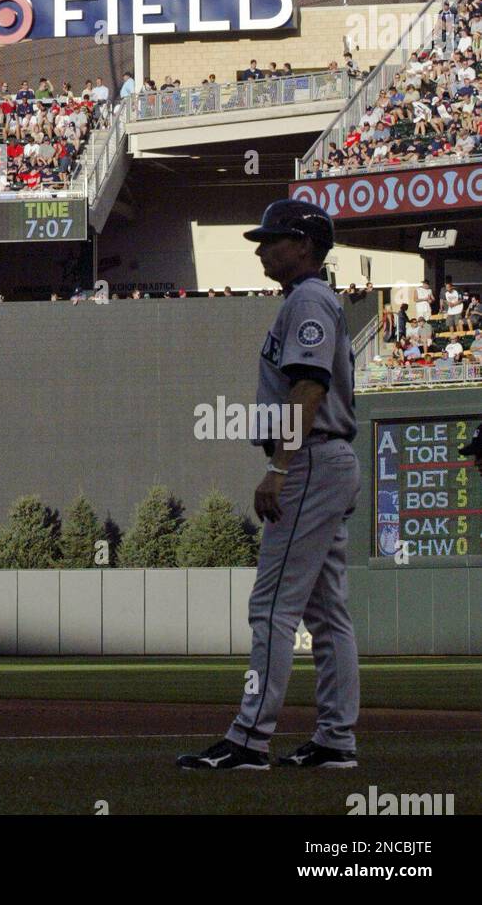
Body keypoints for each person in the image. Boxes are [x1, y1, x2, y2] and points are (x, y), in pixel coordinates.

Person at [178, 199, 360, 771]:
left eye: (272, 239)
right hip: (326, 460)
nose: (261, 248)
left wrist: (280, 467)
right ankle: (335, 740)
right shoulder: (310, 298)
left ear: (303, 245)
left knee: (272, 607)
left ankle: (250, 738)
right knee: (327, 614)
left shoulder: (308, 298)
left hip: (309, 460)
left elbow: (308, 388)